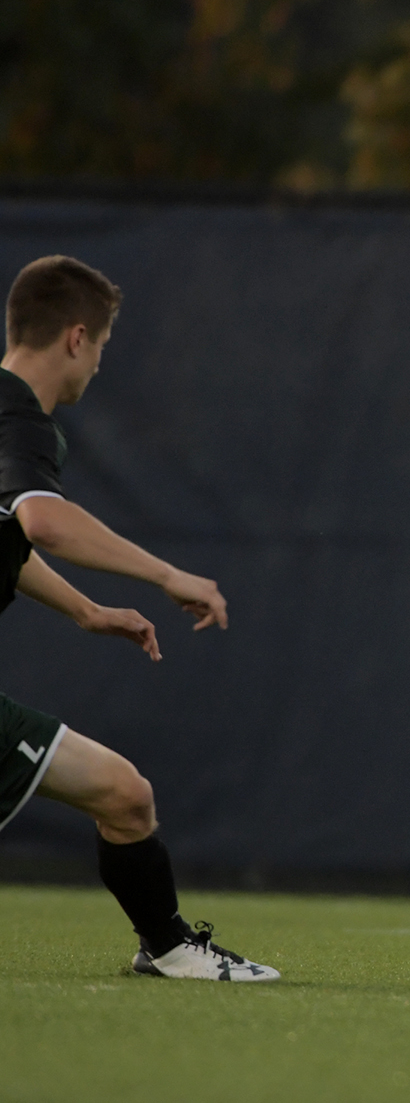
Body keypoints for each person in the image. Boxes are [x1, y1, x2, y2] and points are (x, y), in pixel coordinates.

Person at [0, 255, 277, 981]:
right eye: (101, 345)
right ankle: (171, 948)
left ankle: (167, 946)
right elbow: (43, 522)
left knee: (124, 795)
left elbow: (8, 539)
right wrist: (166, 574)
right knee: (125, 795)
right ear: (76, 337)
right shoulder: (17, 417)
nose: (98, 362)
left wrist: (86, 610)